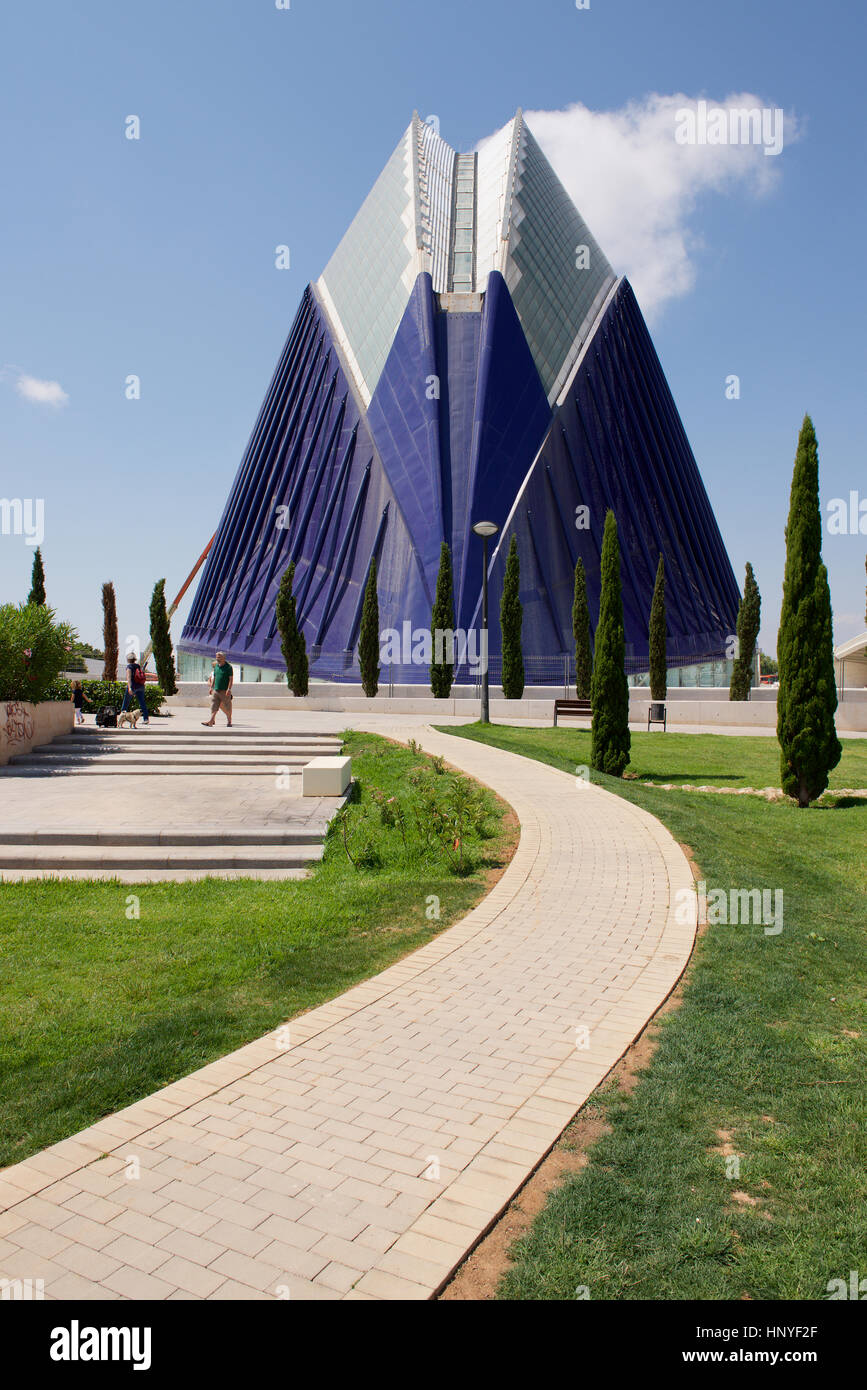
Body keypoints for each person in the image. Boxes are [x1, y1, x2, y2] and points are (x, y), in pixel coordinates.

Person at [202, 651, 233, 726]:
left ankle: (229, 721)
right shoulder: (216, 667)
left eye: (219, 657)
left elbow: (231, 679)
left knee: (227, 706)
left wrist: (229, 689)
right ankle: (211, 721)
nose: (217, 659)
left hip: (224, 691)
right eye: (216, 657)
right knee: (214, 706)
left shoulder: (228, 667)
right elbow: (215, 678)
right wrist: (211, 687)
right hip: (216, 690)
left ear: (223, 658)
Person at [121, 652, 150, 724]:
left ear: (128, 659)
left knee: (126, 703)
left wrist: (130, 688)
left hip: (133, 686)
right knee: (142, 703)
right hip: (140, 686)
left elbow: (129, 677)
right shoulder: (138, 666)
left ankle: (121, 718)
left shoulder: (129, 667)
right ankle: (146, 719)